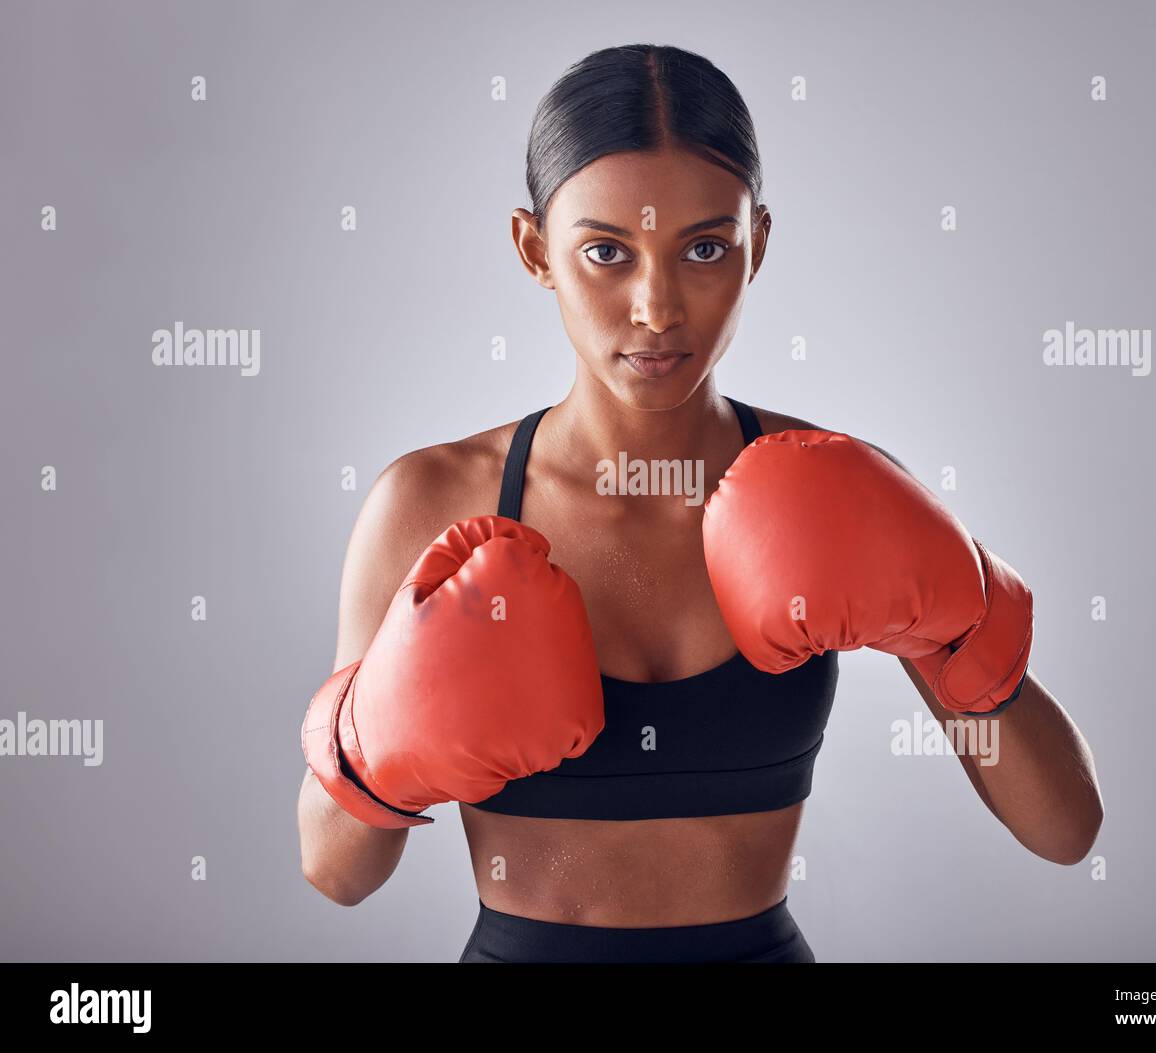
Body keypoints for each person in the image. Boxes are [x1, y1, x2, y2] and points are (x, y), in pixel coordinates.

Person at [297, 43, 1103, 964]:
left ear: (758, 245)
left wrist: (960, 627)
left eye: (706, 248)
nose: (657, 305)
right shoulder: (432, 500)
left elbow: (1065, 828)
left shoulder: (835, 485)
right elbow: (336, 869)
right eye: (605, 251)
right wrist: (384, 753)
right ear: (535, 251)